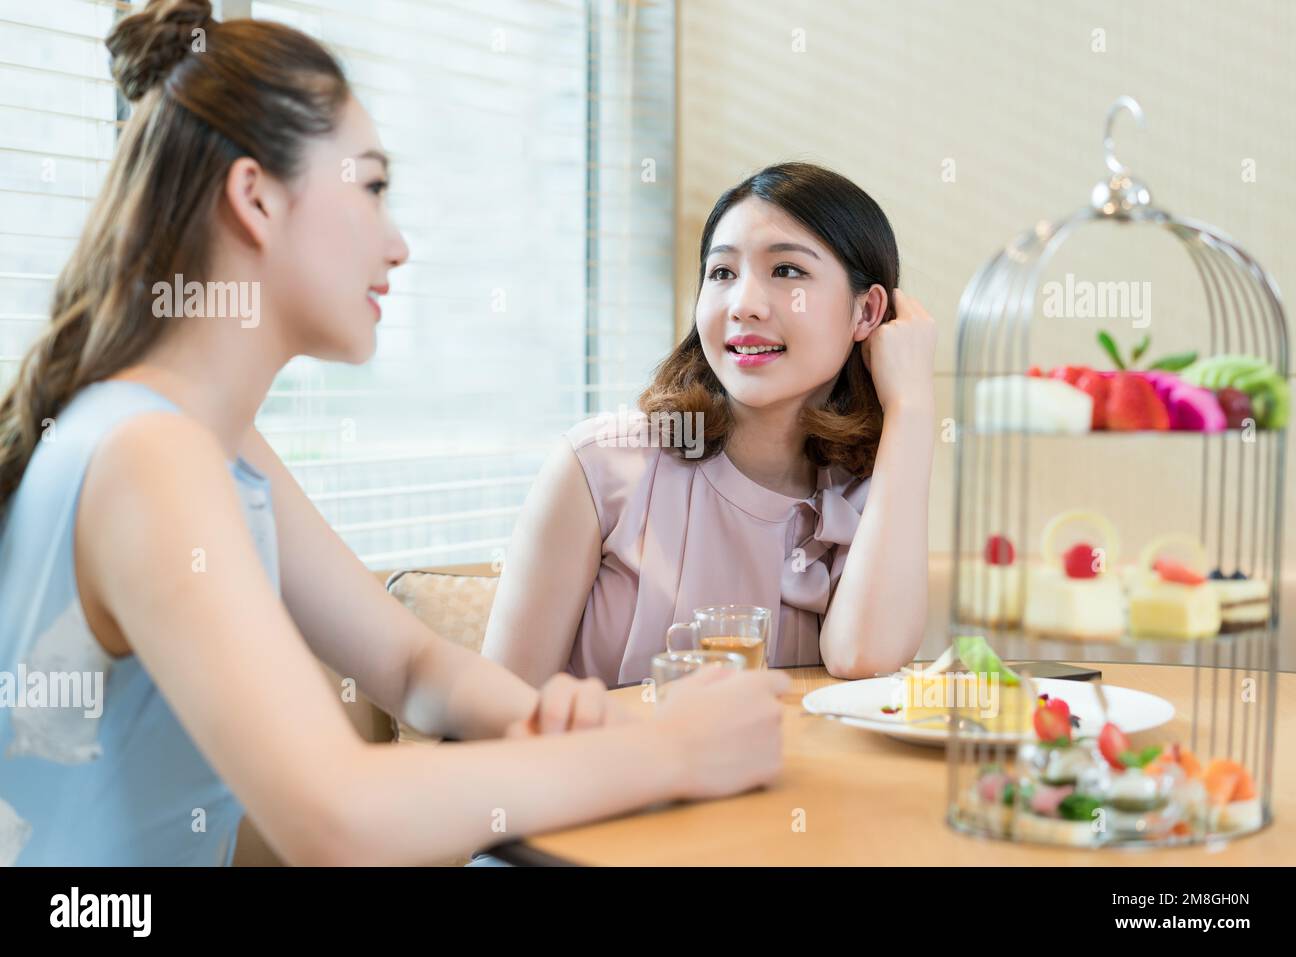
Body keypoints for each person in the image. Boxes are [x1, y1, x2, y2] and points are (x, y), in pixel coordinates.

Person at [0, 0, 786, 867]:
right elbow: (336, 822)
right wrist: (670, 752)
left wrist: (549, 717)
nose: (399, 243)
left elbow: (413, 666)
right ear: (255, 199)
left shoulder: (203, 436)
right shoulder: (153, 454)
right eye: (371, 187)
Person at [483, 163, 937, 688]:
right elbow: (497, 715)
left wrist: (913, 406)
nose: (743, 305)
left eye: (786, 271)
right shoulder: (600, 467)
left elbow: (865, 658)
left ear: (867, 312)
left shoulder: (865, 494)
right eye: (722, 273)